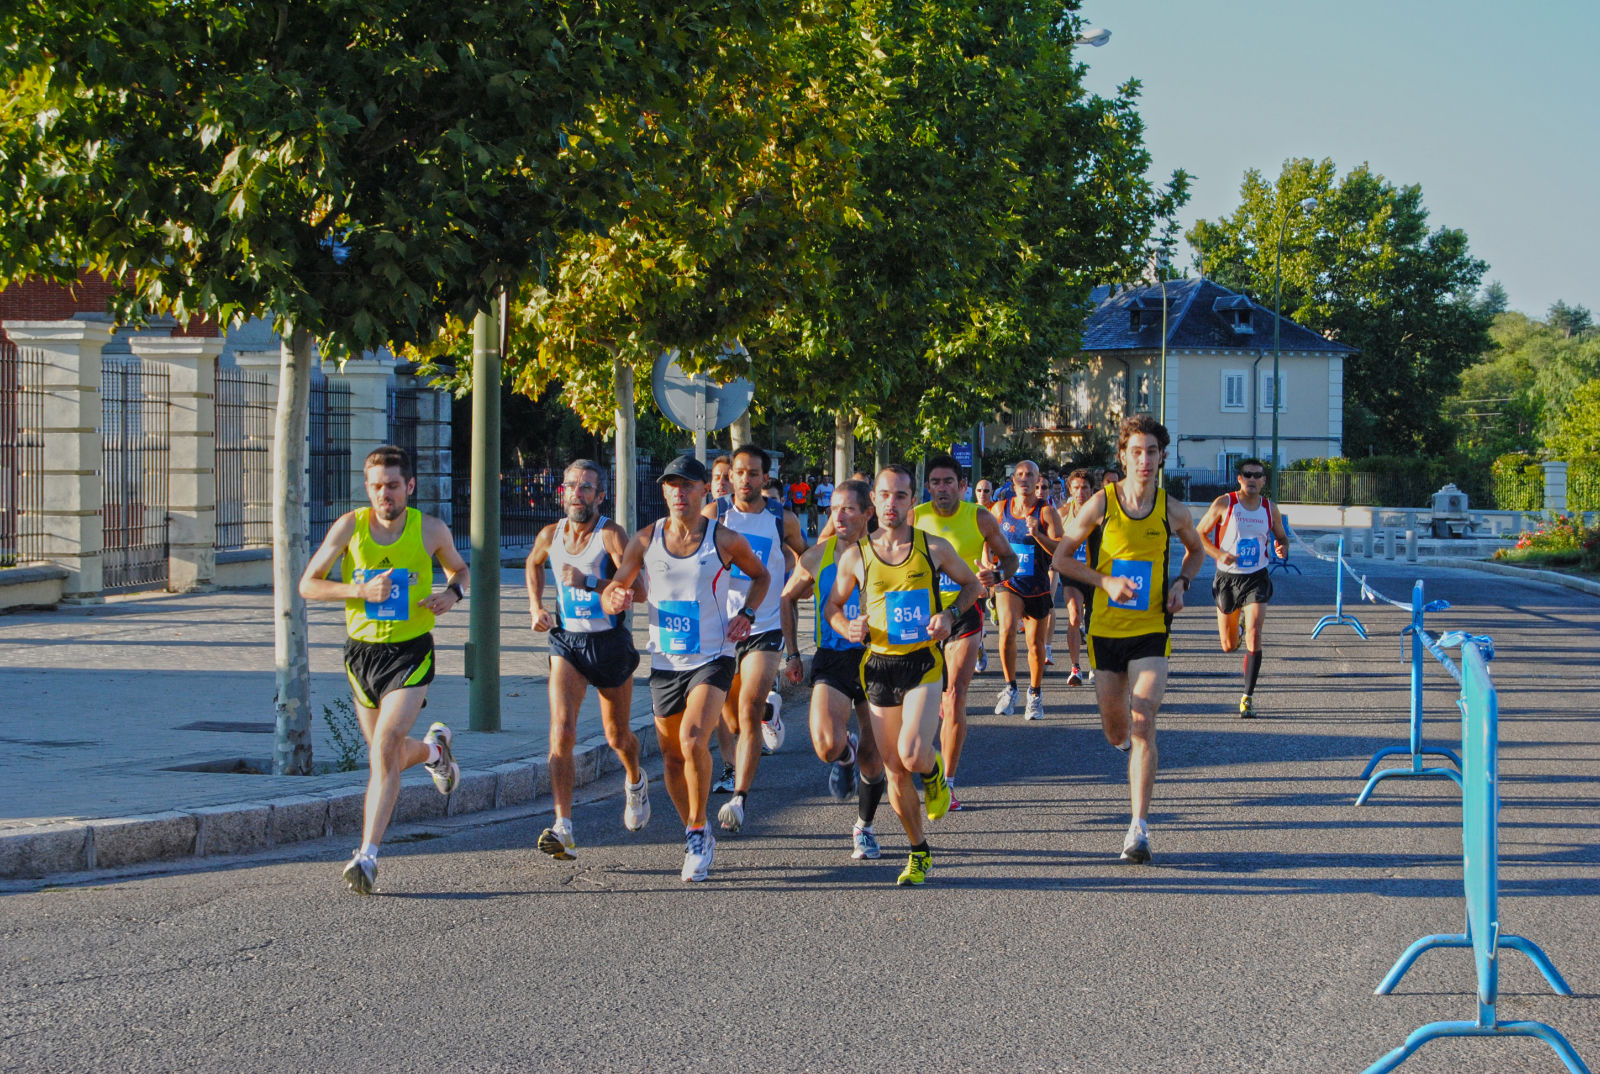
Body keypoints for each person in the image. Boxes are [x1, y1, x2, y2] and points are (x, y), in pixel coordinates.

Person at [299, 446, 468, 895]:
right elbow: (308, 584)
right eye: (375, 486)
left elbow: (460, 569)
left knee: (385, 747)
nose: (383, 494)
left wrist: (453, 595)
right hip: (362, 654)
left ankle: (367, 856)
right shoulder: (350, 527)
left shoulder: (429, 529)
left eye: (392, 485)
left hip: (411, 652)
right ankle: (435, 753)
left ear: (409, 486)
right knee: (384, 752)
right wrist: (359, 589)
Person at [601, 454, 770, 881]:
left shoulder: (724, 538)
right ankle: (696, 830)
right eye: (672, 485)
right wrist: (614, 598)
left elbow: (762, 576)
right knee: (672, 758)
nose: (679, 492)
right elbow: (617, 587)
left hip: (713, 657)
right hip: (665, 661)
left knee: (694, 739)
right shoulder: (645, 539)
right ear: (664, 492)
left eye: (687, 484)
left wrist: (746, 614)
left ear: (703, 491)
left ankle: (697, 831)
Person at [1053, 416, 1203, 865]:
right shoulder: (1101, 504)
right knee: (1116, 728)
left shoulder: (1172, 509)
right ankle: (1125, 747)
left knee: (1142, 720)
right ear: (1123, 456)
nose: (1144, 460)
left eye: (1152, 451)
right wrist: (1104, 581)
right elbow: (1062, 558)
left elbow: (1196, 552)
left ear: (1162, 457)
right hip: (1105, 632)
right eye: (1136, 452)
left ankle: (1138, 829)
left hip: (1152, 630)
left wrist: (1181, 584)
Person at [825, 465, 983, 885]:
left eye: (900, 496)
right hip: (878, 667)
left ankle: (935, 778)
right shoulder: (855, 556)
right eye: (884, 495)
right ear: (873, 501)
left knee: (913, 753)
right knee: (894, 770)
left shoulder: (934, 547)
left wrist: (949, 616)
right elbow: (833, 608)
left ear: (913, 502)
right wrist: (847, 627)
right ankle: (919, 851)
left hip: (923, 664)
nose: (891, 504)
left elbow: (973, 587)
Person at [525, 459, 651, 861]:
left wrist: (594, 584)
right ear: (562, 491)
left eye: (586, 488)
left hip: (610, 643)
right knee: (561, 729)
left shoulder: (611, 535)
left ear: (600, 495)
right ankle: (563, 827)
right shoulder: (552, 533)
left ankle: (634, 781)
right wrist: (535, 607)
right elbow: (532, 563)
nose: (577, 494)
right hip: (567, 644)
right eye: (571, 487)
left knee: (618, 737)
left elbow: (642, 590)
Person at [779, 479, 890, 859]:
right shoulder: (818, 555)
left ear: (868, 513)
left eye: (848, 509)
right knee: (827, 744)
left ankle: (864, 826)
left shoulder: (888, 554)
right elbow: (787, 597)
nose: (838, 517)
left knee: (874, 757)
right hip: (834, 656)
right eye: (833, 510)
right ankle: (845, 754)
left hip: (880, 658)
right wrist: (793, 653)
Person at [705, 445, 808, 833]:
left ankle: (740, 798)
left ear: (765, 479)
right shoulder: (716, 514)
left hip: (763, 627)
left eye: (753, 473)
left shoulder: (782, 519)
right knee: (727, 717)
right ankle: (771, 712)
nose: (745, 480)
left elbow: (807, 556)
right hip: (720, 629)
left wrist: (802, 583)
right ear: (729, 475)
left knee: (746, 709)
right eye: (739, 472)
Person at [912, 453, 1015, 808]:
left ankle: (948, 782)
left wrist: (996, 576)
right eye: (936, 483)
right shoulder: (915, 518)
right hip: (920, 617)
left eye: (949, 482)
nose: (942, 489)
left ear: (962, 486)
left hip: (964, 612)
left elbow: (1011, 559)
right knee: (921, 696)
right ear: (928, 487)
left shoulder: (979, 517)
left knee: (955, 694)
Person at [1195, 457, 1290, 718]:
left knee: (1255, 633)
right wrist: (1218, 553)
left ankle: (1247, 697)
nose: (1251, 479)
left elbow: (1281, 536)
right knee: (1228, 645)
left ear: (1263, 481)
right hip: (1227, 578)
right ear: (1239, 478)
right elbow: (1199, 534)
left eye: (1257, 475)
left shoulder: (1270, 509)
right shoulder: (1225, 503)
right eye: (1247, 474)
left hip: (1256, 577)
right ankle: (1236, 631)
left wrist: (1282, 547)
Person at [990, 460, 1065, 721]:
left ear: (1037, 482)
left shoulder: (1046, 513)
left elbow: (1060, 549)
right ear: (1013, 481)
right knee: (1006, 629)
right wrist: (988, 563)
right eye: (1019, 474)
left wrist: (1038, 536)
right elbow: (988, 539)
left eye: (1029, 475)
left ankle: (1035, 694)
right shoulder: (1000, 509)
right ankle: (1010, 687)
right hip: (1008, 582)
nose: (1024, 478)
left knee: (1034, 644)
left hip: (1036, 585)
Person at [1058, 468, 1097, 686]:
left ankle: (1095, 665)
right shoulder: (1063, 513)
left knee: (1093, 622)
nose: (1080, 492)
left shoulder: (1101, 513)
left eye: (1084, 488)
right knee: (1074, 616)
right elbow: (1054, 541)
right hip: (1072, 573)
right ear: (1070, 489)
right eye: (1076, 488)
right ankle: (1075, 667)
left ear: (1092, 490)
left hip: (1095, 573)